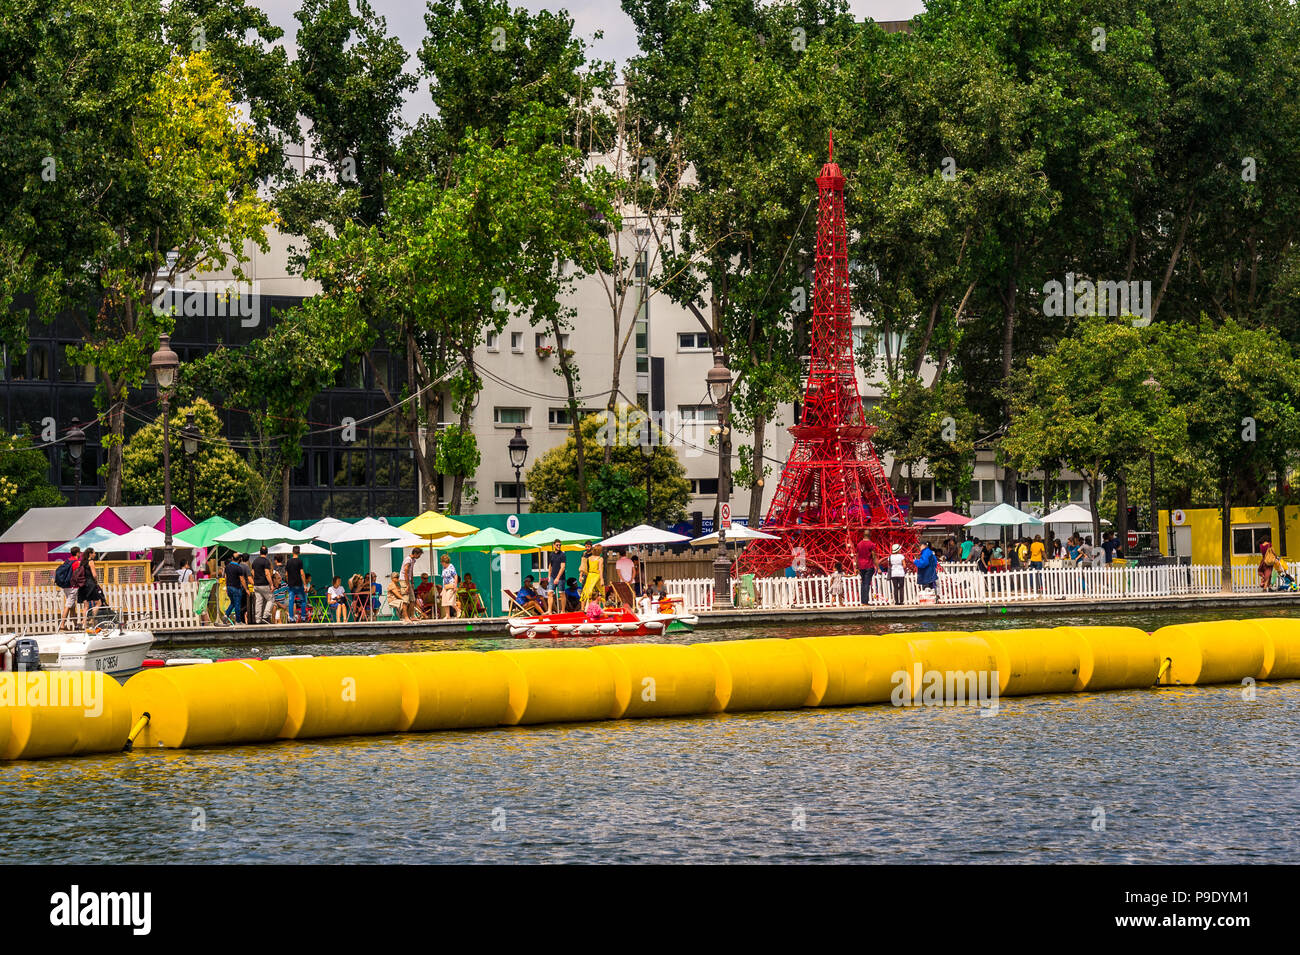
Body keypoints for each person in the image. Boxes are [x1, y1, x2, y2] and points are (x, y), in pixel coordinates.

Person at [56, 546, 81, 631]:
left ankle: (75, 625)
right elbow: (78, 575)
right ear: (77, 553)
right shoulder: (76, 562)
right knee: (68, 605)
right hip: (73, 586)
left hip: (66, 586)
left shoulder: (68, 561)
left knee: (72, 606)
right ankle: (62, 625)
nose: (80, 554)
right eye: (80, 552)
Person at [250, 546, 273, 624]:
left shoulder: (255, 561)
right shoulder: (266, 562)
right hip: (264, 584)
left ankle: (258, 619)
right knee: (271, 599)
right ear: (266, 553)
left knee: (258, 602)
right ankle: (265, 616)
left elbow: (252, 572)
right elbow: (267, 573)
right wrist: (271, 584)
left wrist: (256, 578)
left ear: (260, 552)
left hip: (256, 585)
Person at [224, 551, 249, 624]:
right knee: (237, 604)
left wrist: (226, 586)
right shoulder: (239, 568)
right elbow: (242, 580)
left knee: (233, 603)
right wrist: (246, 589)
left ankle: (226, 615)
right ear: (239, 559)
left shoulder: (227, 567)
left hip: (229, 587)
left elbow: (226, 577)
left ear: (232, 558)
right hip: (236, 588)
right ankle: (238, 621)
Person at [285, 545, 307, 623]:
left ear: (292, 552)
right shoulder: (299, 561)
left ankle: (291, 618)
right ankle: (303, 617)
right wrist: (304, 584)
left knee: (291, 601)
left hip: (291, 585)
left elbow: (286, 574)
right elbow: (302, 573)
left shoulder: (288, 562)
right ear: (299, 552)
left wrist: (288, 581)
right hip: (298, 585)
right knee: (303, 601)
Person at [856, 532, 877, 605]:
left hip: (861, 566)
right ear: (870, 535)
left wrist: (856, 567)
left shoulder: (859, 544)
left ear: (863, 535)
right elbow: (874, 556)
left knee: (863, 583)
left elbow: (857, 556)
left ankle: (862, 601)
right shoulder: (871, 544)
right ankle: (865, 602)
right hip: (869, 566)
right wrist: (878, 567)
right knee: (867, 583)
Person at [546, 540, 567, 612]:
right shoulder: (551, 554)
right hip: (552, 576)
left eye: (560, 545)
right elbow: (550, 566)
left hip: (560, 578)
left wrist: (557, 578)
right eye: (557, 545)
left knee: (561, 594)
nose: (559, 546)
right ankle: (549, 610)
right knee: (550, 593)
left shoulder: (562, 554)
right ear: (554, 545)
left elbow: (563, 567)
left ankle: (563, 610)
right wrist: (549, 576)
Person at [439, 553, 459, 618]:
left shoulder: (451, 567)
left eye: (441, 562)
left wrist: (455, 586)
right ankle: (447, 615)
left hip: (451, 585)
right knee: (444, 601)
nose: (441, 563)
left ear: (444, 562)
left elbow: (455, 576)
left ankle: (458, 610)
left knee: (449, 600)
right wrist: (443, 589)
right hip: (445, 586)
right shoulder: (443, 568)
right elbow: (444, 578)